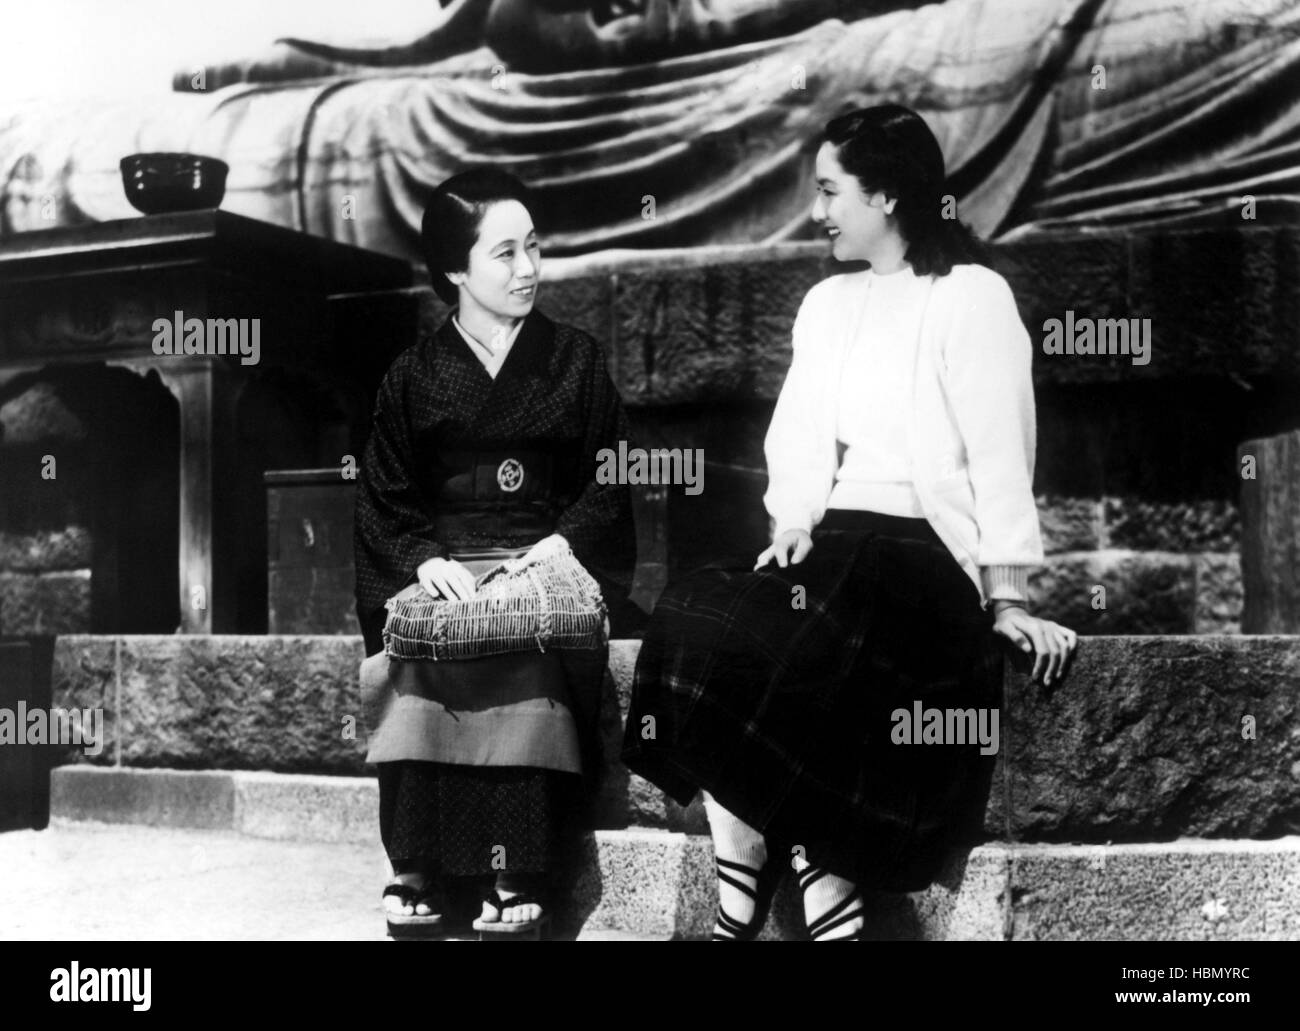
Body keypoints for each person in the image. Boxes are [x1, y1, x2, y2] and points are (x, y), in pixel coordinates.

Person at [622, 104, 1078, 941]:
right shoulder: (827, 305)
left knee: (813, 650)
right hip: (834, 545)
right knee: (698, 616)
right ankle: (754, 871)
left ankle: (819, 873)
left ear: (890, 197)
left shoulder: (972, 297)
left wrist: (1008, 595)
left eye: (832, 191)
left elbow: (1002, 452)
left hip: (921, 559)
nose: (819, 210)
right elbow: (798, 436)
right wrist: (794, 518)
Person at [354, 168, 634, 939]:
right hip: (448, 562)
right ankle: (415, 862)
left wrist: (560, 544)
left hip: (544, 561)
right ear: (454, 270)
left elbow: (609, 479)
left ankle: (516, 867)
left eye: (534, 248)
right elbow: (386, 494)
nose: (528, 269)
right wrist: (418, 559)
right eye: (504, 253)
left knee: (524, 646)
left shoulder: (574, 360)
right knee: (420, 646)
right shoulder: (412, 375)